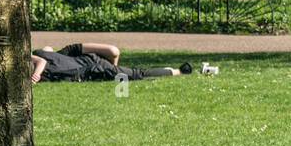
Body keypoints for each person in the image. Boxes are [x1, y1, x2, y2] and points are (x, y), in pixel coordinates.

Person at [31, 43, 191, 82]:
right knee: (134, 73)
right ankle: (176, 71)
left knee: (134, 72)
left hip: (91, 63)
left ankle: (177, 71)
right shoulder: (51, 55)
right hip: (92, 65)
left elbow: (42, 60)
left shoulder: (41, 56)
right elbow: (45, 52)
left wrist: (36, 74)